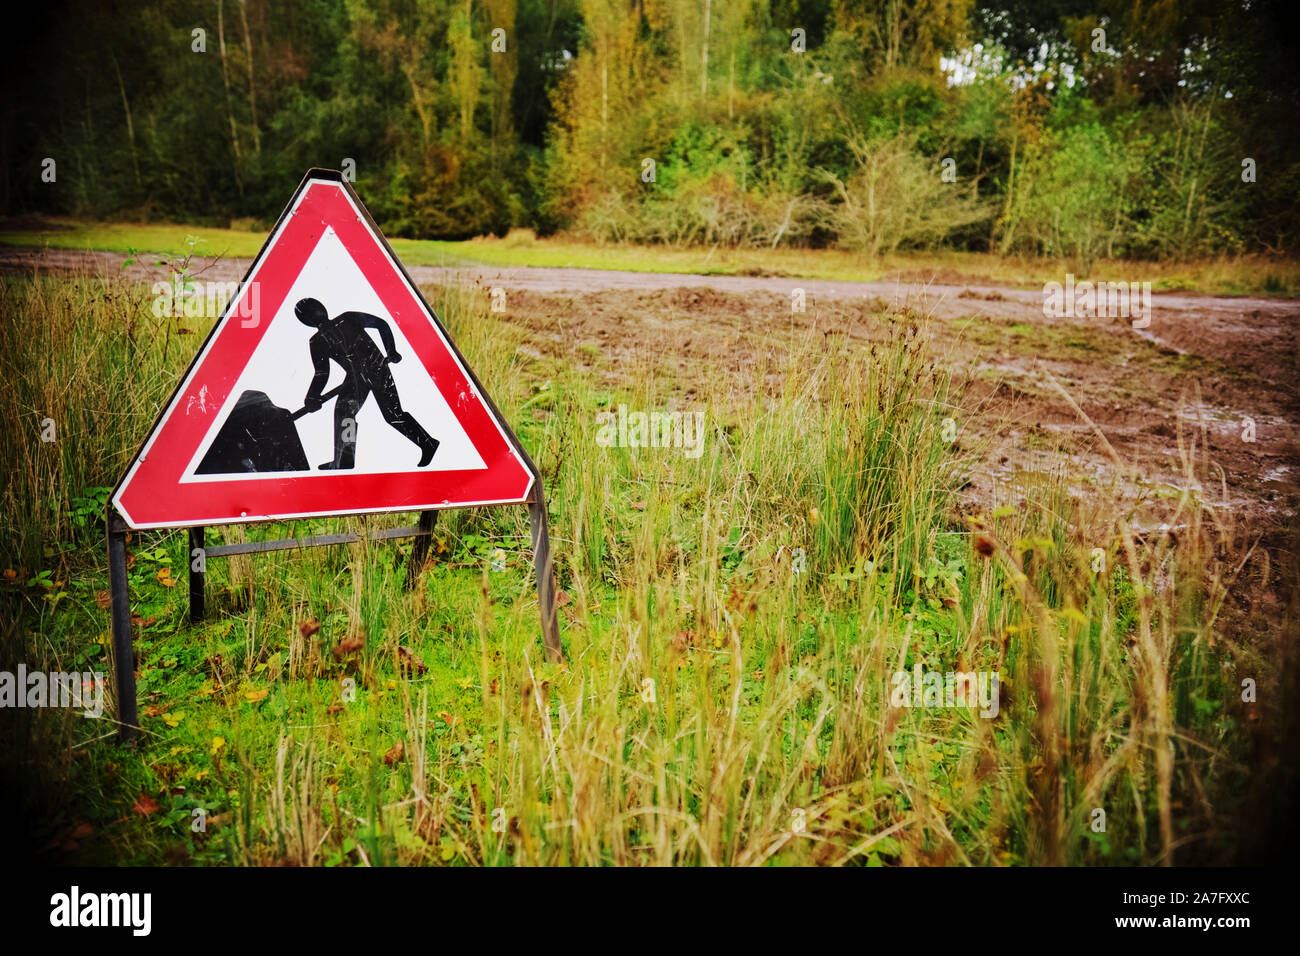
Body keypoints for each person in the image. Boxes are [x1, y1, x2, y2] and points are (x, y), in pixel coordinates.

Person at [294, 297, 439, 469]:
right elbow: (322, 373)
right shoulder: (317, 341)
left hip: (377, 369)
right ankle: (343, 459)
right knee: (345, 413)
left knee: (392, 415)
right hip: (355, 378)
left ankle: (428, 443)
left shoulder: (347, 319)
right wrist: (312, 396)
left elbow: (381, 324)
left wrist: (390, 349)